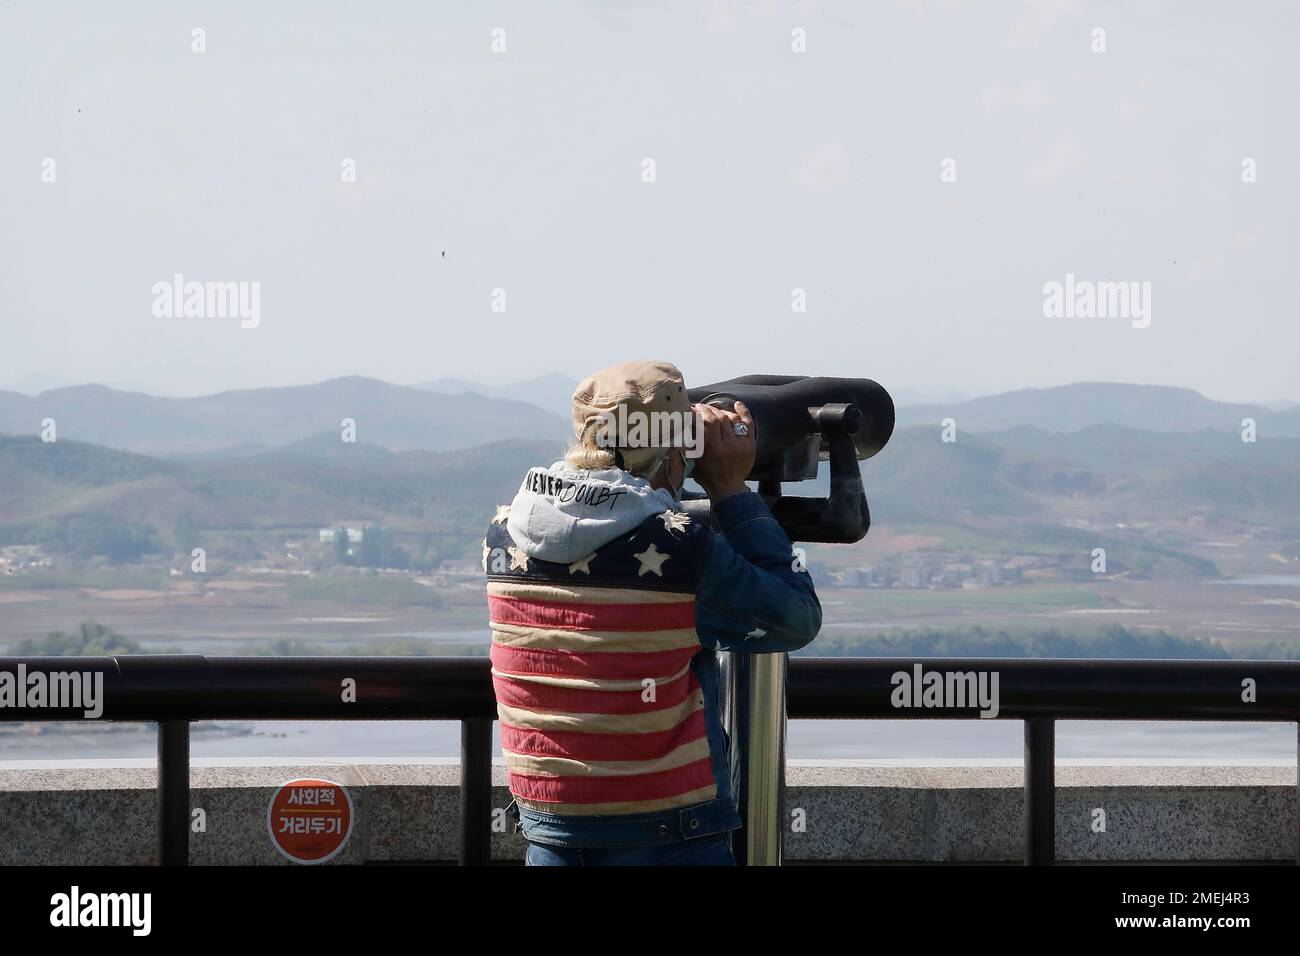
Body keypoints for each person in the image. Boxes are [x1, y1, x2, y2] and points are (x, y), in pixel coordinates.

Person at [483, 359, 821, 866]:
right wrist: (732, 492)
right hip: (667, 833)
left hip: (550, 828)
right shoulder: (677, 551)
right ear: (674, 450)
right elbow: (795, 618)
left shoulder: (504, 534)